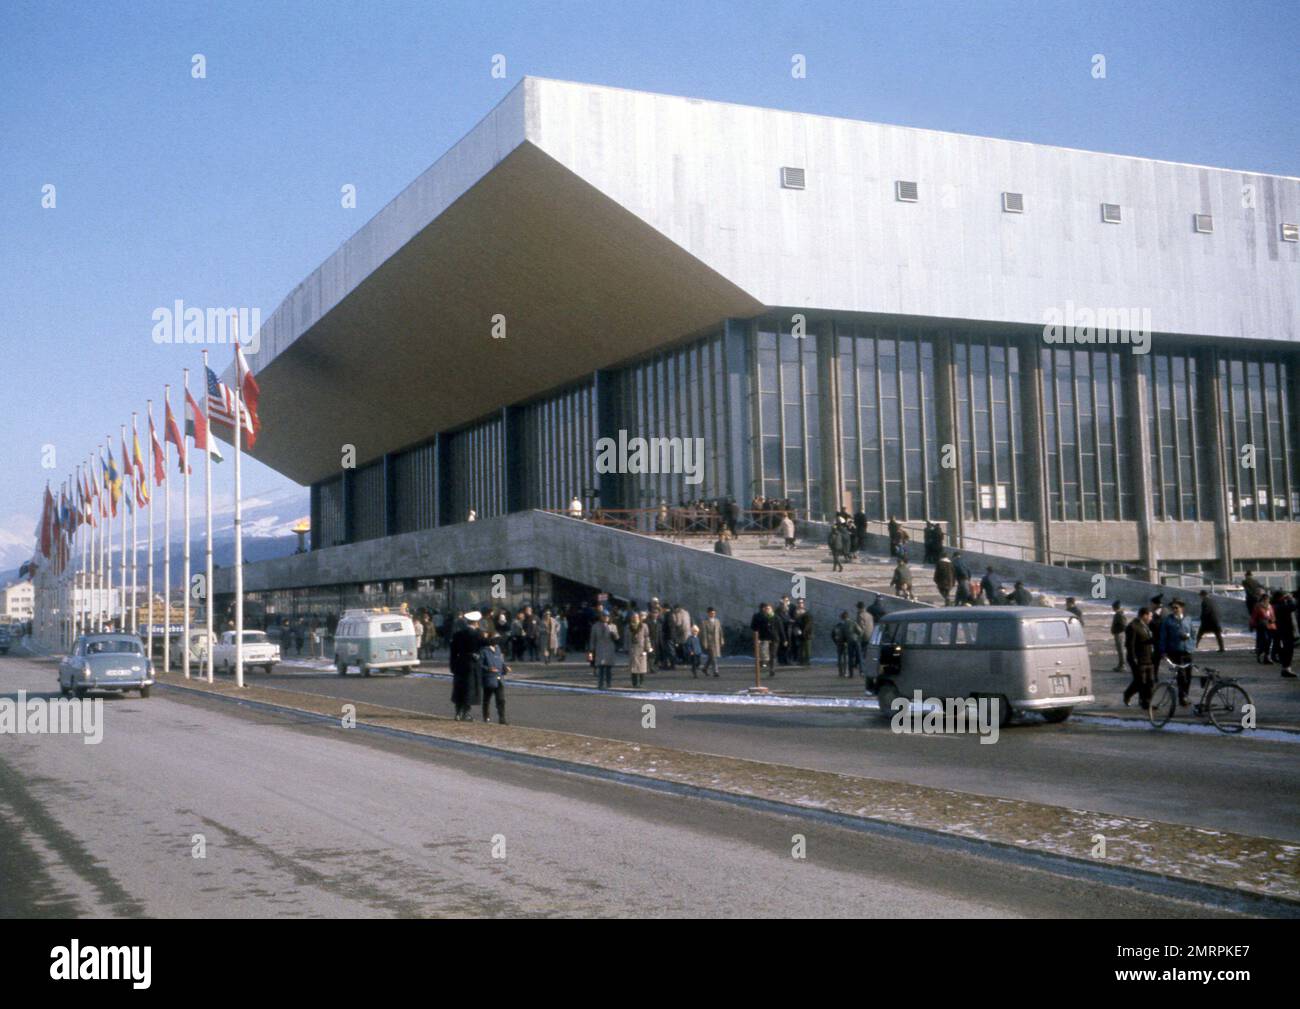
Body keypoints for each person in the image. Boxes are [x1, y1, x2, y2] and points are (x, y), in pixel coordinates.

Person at [450, 611, 487, 721]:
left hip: (459, 663)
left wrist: (452, 666)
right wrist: (499, 639)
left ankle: (457, 713)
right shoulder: (477, 634)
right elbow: (485, 642)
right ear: (476, 622)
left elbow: (453, 652)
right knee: (470, 690)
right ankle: (466, 714)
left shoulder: (458, 634)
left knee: (459, 689)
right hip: (472, 664)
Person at [1159, 598, 1195, 706]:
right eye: (1173, 608)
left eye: (1176, 608)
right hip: (1175, 651)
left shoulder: (1188, 619)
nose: (1174, 610)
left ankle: (1185, 695)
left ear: (1181, 608)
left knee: (1188, 675)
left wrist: (1191, 643)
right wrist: (1163, 651)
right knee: (1181, 675)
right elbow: (1163, 637)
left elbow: (1193, 633)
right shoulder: (1168, 620)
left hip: (1187, 651)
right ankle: (1182, 697)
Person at [1123, 607, 1156, 708]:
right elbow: (1129, 645)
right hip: (1138, 659)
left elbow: (1147, 640)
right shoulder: (1133, 626)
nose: (1151, 618)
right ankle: (1130, 696)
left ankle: (1148, 702)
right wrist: (1134, 659)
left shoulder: (1145, 626)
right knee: (1140, 681)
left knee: (1150, 682)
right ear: (1144, 615)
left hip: (1148, 658)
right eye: (1150, 616)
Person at [478, 637, 509, 723]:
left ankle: (502, 718)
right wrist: (488, 669)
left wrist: (505, 668)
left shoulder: (498, 649)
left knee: (501, 699)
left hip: (499, 678)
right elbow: (479, 665)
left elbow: (501, 661)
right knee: (487, 699)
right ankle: (486, 717)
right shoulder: (484, 651)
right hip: (489, 678)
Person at [587, 609, 620, 689]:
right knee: (601, 667)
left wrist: (614, 635)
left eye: (607, 616)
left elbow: (617, 638)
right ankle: (600, 684)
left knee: (609, 668)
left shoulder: (613, 626)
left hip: (609, 648)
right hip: (600, 648)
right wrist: (591, 650)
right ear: (601, 617)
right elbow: (592, 639)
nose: (606, 618)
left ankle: (609, 683)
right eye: (604, 616)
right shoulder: (595, 626)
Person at [1272, 590, 1297, 679]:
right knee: (1288, 649)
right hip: (1285, 630)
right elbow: (1293, 607)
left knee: (1286, 649)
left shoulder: (1275, 605)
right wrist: (1290, 599)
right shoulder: (1280, 606)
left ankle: (1285, 667)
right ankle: (1286, 669)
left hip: (1281, 630)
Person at [751, 602, 779, 678]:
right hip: (763, 638)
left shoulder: (773, 616)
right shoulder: (758, 616)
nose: (765, 609)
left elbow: (779, 628)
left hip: (773, 638)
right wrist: (757, 636)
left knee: (772, 654)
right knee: (763, 653)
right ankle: (762, 663)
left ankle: (772, 669)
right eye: (764, 608)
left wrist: (784, 639)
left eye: (766, 608)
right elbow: (753, 627)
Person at [832, 611, 861, 678]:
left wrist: (835, 642)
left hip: (839, 643)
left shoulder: (837, 625)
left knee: (840, 658)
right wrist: (856, 638)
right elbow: (859, 632)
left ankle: (840, 672)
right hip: (845, 643)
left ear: (841, 617)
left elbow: (833, 634)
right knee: (846, 658)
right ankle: (845, 672)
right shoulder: (849, 623)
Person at [627, 612, 652, 687]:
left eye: (636, 617)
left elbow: (647, 637)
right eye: (633, 617)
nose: (635, 618)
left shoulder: (644, 626)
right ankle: (634, 683)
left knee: (642, 667)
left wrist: (648, 647)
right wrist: (626, 648)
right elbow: (626, 638)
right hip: (633, 648)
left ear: (639, 618)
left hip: (641, 648)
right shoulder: (629, 626)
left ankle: (641, 682)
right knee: (633, 667)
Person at [1251, 592, 1276, 665]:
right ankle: (1261, 654)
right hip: (1261, 626)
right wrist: (1253, 625)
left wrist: (1273, 620)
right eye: (1265, 599)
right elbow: (1254, 617)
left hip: (1270, 626)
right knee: (1264, 640)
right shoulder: (1258, 606)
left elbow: (1273, 615)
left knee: (1269, 641)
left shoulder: (1270, 606)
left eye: (1268, 599)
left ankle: (1266, 656)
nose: (1267, 600)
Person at [699, 607, 723, 678]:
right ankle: (716, 671)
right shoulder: (704, 622)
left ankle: (705, 668)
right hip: (710, 642)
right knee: (714, 657)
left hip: (716, 641)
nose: (713, 614)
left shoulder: (717, 621)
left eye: (714, 613)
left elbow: (720, 631)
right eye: (711, 613)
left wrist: (721, 640)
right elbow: (704, 634)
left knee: (711, 657)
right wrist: (705, 643)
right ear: (708, 613)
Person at [1109, 601, 1127, 671]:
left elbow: (1124, 626)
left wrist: (1116, 631)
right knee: (1120, 650)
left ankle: (1122, 665)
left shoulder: (1119, 615)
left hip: (1119, 634)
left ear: (1115, 607)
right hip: (1119, 634)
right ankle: (1121, 665)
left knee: (1120, 650)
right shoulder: (1119, 614)